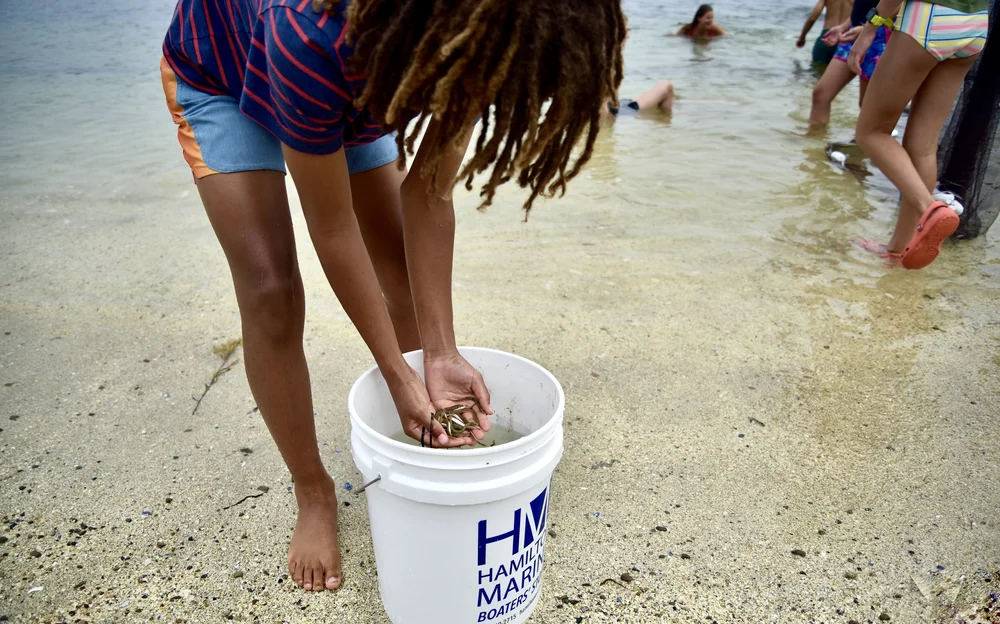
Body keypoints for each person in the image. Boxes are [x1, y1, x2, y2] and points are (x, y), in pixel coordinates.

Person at [161, 0, 626, 593]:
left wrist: (441, 352)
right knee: (271, 290)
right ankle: (314, 493)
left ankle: (431, 437)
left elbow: (429, 194)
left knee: (400, 268)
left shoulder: (484, 37)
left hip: (365, 77)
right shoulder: (309, 30)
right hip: (222, 73)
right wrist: (393, 373)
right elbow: (332, 228)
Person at [852, 0, 988, 268]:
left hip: (928, 18)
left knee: (871, 132)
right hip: (975, 25)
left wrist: (871, 27)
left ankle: (931, 209)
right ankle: (897, 250)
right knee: (923, 145)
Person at [808, 0, 892, 131]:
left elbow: (900, 4)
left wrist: (868, 28)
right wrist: (844, 26)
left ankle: (861, 148)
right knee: (821, 94)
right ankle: (813, 146)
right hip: (857, 29)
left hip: (881, 33)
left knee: (866, 106)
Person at [797, 0, 854, 65]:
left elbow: (812, 18)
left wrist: (802, 37)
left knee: (817, 73)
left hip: (827, 37)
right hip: (846, 39)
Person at [608, 81, 676, 116]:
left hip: (621, 104)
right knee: (666, 86)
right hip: (626, 110)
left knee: (676, 101)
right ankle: (662, 120)